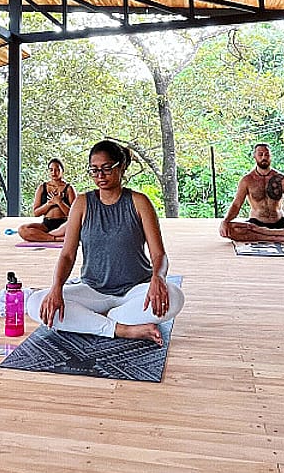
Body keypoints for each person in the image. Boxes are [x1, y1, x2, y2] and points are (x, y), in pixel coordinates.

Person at [28, 140, 185, 344]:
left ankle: (95, 322)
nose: (100, 176)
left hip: (136, 289)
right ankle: (121, 329)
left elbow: (159, 254)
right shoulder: (82, 203)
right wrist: (56, 288)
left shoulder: (139, 202)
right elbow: (67, 254)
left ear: (121, 167)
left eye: (106, 169)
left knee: (174, 297)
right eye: (94, 170)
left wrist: (159, 277)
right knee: (35, 303)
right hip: (93, 291)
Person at [18, 158, 77, 242]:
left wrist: (59, 202)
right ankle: (55, 238)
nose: (54, 172)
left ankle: (43, 237)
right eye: (51, 170)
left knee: (79, 228)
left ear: (62, 171)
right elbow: (36, 213)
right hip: (46, 225)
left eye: (57, 170)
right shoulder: (42, 187)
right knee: (22, 229)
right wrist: (49, 203)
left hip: (64, 225)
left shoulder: (69, 188)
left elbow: (74, 215)